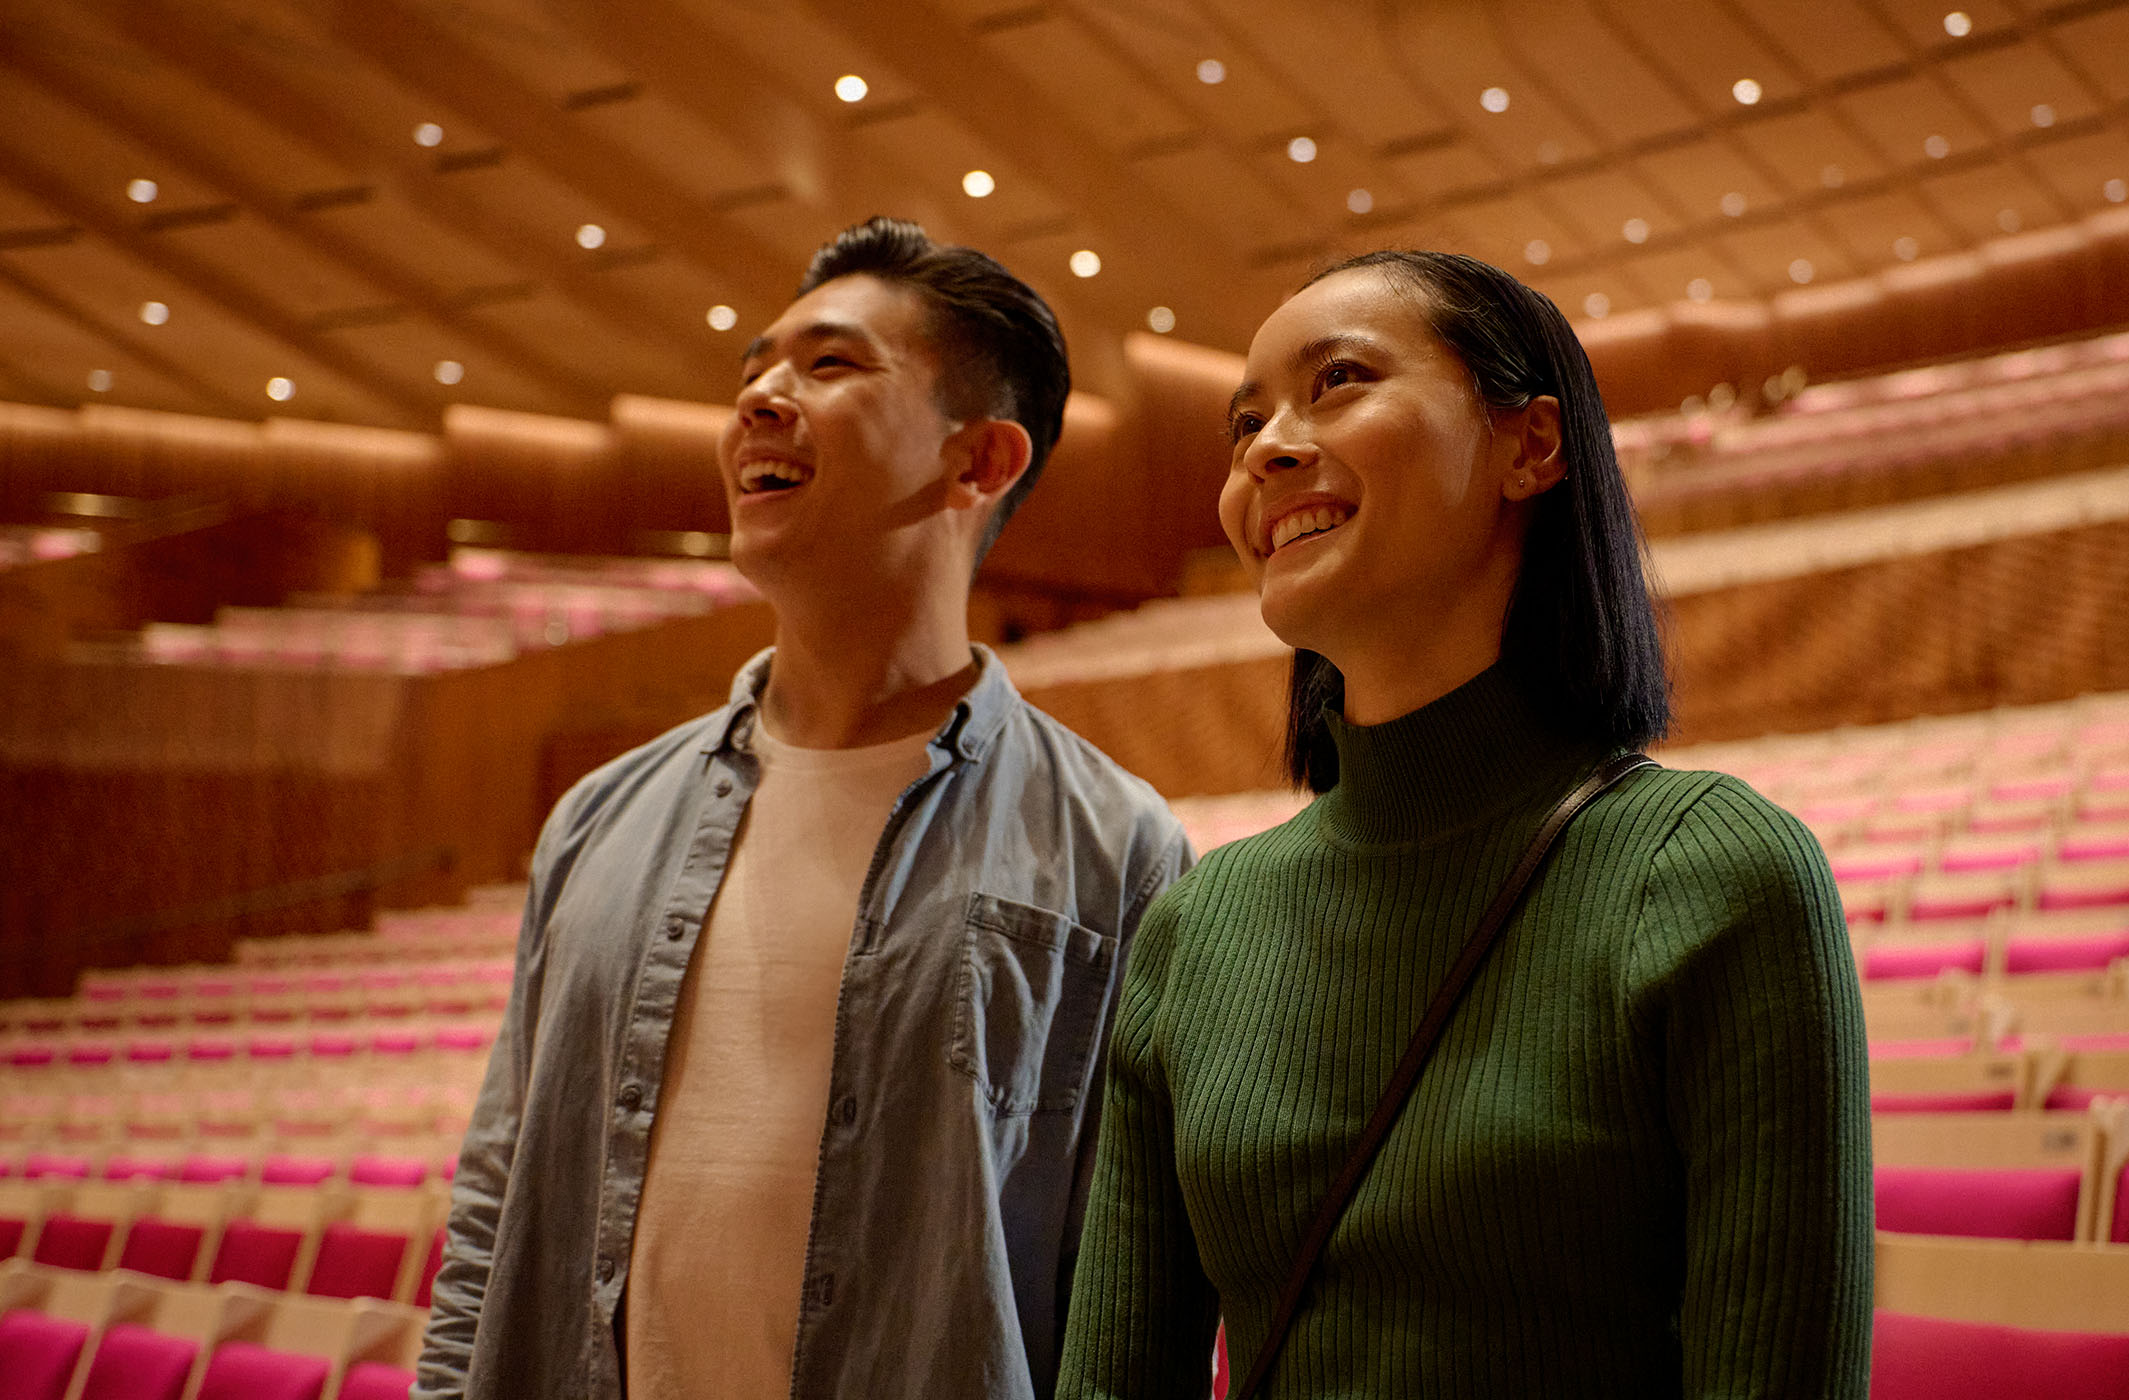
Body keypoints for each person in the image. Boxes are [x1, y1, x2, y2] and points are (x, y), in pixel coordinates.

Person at [1056, 250, 1871, 1398]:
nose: (1264, 451)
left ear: (1529, 445)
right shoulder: (1197, 928)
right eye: (1243, 424)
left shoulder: (1720, 876)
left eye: (1336, 380)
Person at [417, 217, 1192, 1400]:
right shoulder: (596, 817)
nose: (760, 400)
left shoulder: (1117, 847)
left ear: (979, 461)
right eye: (755, 370)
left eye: (828, 365)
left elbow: (1125, 1303)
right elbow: (496, 1204)